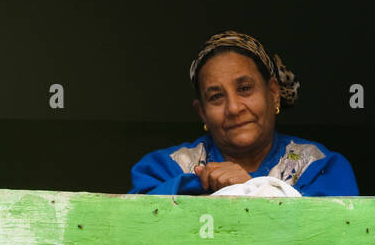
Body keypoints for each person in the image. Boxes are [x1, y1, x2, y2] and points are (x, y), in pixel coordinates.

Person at [129, 31, 359, 197]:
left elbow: (330, 237)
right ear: (202, 113)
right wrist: (197, 183)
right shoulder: (167, 168)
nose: (234, 108)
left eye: (245, 89)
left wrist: (253, 189)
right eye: (216, 96)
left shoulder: (319, 166)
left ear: (273, 93)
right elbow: (133, 220)